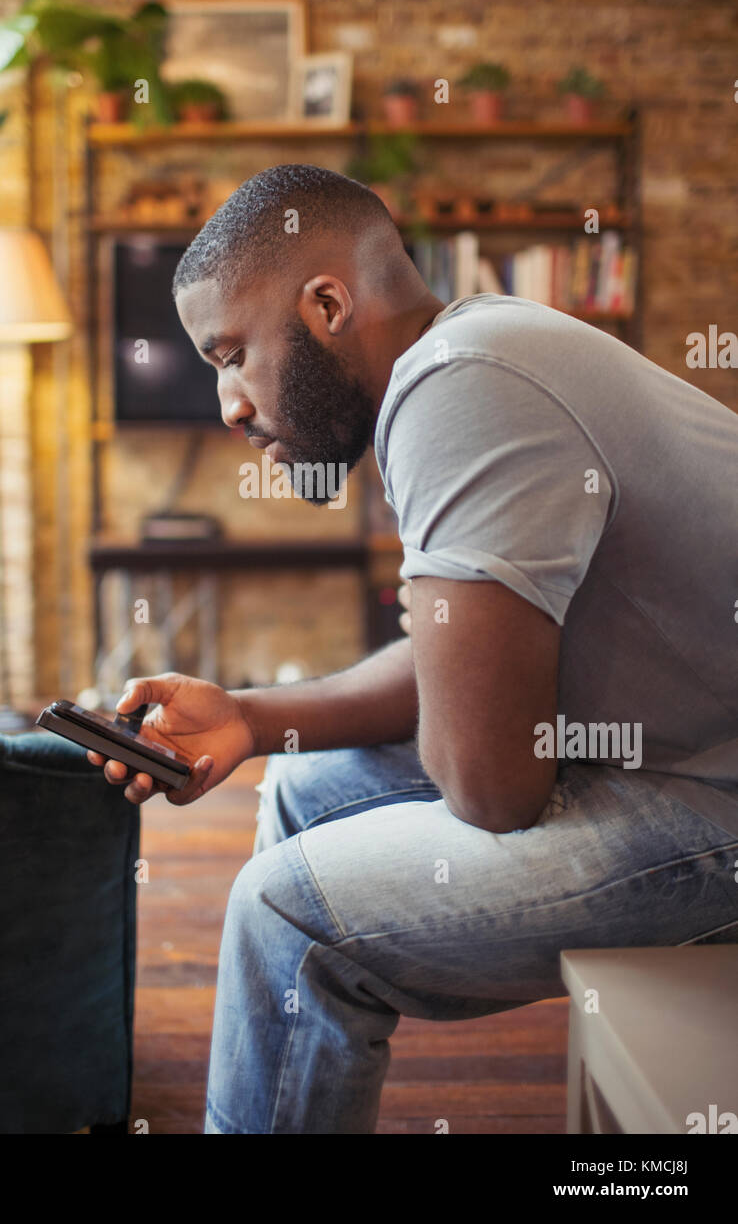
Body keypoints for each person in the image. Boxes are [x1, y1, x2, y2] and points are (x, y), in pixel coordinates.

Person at [88, 164, 738, 1134]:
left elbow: (492, 789)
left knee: (284, 912)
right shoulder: (474, 351)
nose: (228, 405)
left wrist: (467, 702)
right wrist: (251, 718)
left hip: (715, 796)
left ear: (325, 305)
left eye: (232, 354)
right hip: (676, 749)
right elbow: (445, 661)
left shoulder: (460, 387)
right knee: (303, 784)